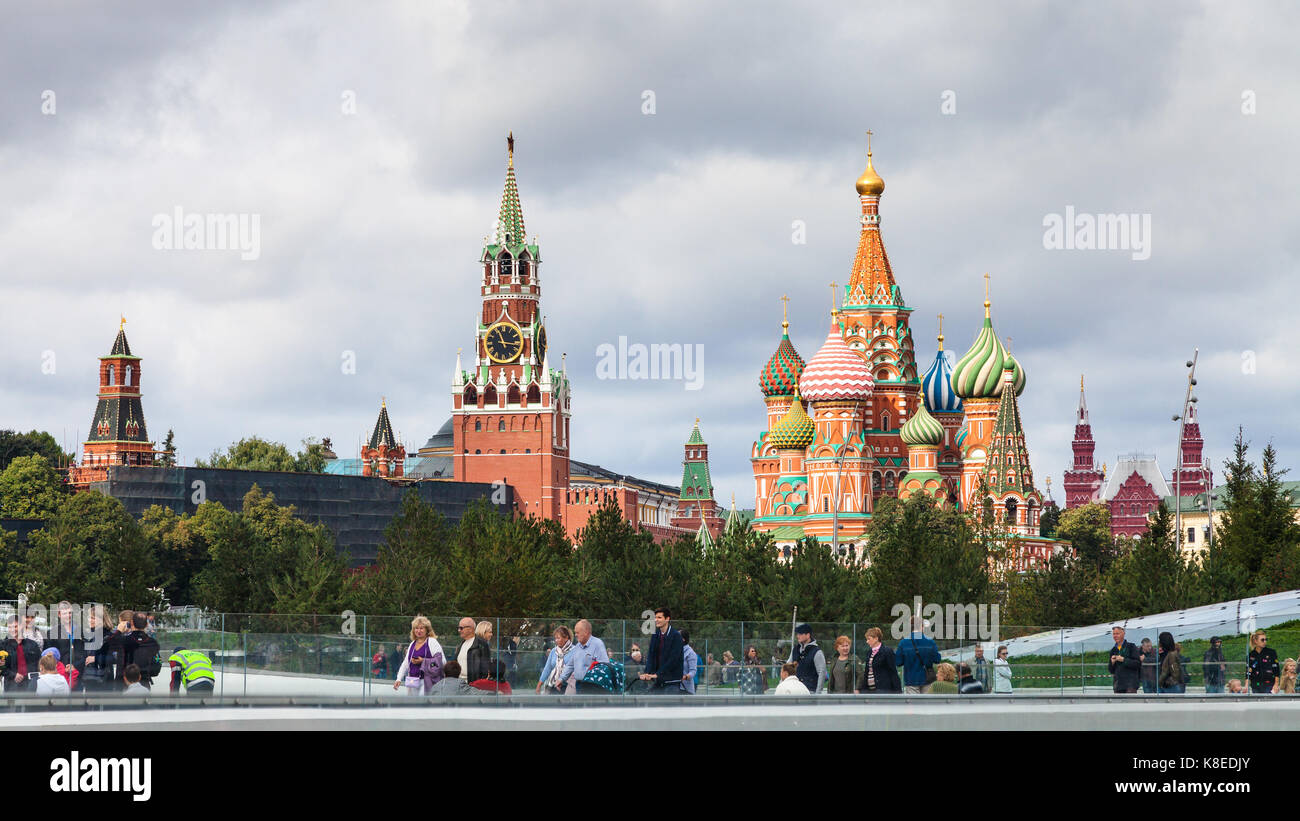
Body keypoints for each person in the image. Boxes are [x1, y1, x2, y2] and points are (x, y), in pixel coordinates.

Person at [392, 615, 444, 696]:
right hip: (413, 681)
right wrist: (398, 679)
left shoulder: (432, 642)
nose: (418, 630)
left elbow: (441, 662)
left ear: (427, 630)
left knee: (423, 706)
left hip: (428, 682)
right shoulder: (412, 644)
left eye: (421, 628)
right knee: (414, 706)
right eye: (416, 628)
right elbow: (405, 663)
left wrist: (423, 661)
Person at [560, 619, 610, 694]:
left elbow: (605, 665)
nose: (575, 635)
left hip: (592, 687)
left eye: (577, 632)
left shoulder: (597, 644)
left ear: (586, 632)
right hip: (578, 685)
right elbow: (570, 665)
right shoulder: (577, 647)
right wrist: (561, 679)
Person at [642, 607, 684, 693]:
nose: (656, 620)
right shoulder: (655, 634)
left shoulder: (676, 636)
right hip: (658, 681)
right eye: (655, 617)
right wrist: (647, 672)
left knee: (668, 704)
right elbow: (651, 655)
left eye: (659, 617)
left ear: (667, 619)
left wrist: (657, 674)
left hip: (671, 681)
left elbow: (673, 659)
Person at [896, 617, 940, 694]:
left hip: (911, 679)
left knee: (914, 704)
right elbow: (937, 659)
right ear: (921, 626)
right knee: (927, 704)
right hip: (927, 678)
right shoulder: (930, 642)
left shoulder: (903, 643)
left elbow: (898, 662)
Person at [1, 615, 41, 693]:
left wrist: (33, 679)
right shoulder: (3, 645)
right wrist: (13, 675)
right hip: (11, 686)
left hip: (30, 686)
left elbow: (38, 664)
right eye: (10, 627)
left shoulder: (33, 645)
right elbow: (1, 667)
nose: (12, 630)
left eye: (15, 626)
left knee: (29, 705)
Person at [123, 613, 162, 689]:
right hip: (145, 681)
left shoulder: (124, 641)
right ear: (147, 624)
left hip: (127, 682)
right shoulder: (152, 642)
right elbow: (157, 663)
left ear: (131, 623)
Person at [856, 627, 901, 694]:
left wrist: (898, 690)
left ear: (876, 639)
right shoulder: (869, 652)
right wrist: (863, 689)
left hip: (883, 690)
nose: (867, 641)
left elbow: (893, 671)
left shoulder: (887, 651)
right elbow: (867, 672)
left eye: (869, 639)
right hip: (870, 690)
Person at [788, 624, 826, 694]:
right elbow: (787, 668)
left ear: (808, 635)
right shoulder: (795, 649)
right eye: (797, 634)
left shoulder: (817, 651)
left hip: (810, 691)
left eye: (800, 633)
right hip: (795, 690)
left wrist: (817, 694)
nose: (797, 636)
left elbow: (822, 673)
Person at [537, 626, 574, 694]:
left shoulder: (574, 651)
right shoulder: (553, 651)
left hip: (567, 686)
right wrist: (539, 685)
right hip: (553, 685)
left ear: (566, 638)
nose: (556, 640)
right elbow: (547, 669)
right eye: (555, 638)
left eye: (558, 638)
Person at [455, 617, 492, 682]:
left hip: (473, 686)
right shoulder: (460, 645)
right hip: (459, 684)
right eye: (458, 628)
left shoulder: (482, 644)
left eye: (461, 628)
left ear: (470, 629)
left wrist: (478, 686)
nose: (459, 630)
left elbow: (485, 669)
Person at [1108, 626, 1141, 694]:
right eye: (1114, 634)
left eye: (1117, 633)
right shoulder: (1113, 650)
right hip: (1118, 686)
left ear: (1123, 634)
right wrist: (1112, 663)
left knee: (1130, 704)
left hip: (1130, 685)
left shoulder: (1131, 647)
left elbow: (1137, 664)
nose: (1115, 636)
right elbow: (1111, 670)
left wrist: (1123, 660)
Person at [1247, 629, 1279, 694]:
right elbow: (1248, 672)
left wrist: (1276, 685)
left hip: (1269, 685)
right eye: (1262, 640)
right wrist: (1246, 685)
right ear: (1255, 641)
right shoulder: (1251, 655)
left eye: (1266, 639)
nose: (1265, 641)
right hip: (1255, 686)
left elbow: (1276, 670)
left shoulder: (1271, 652)